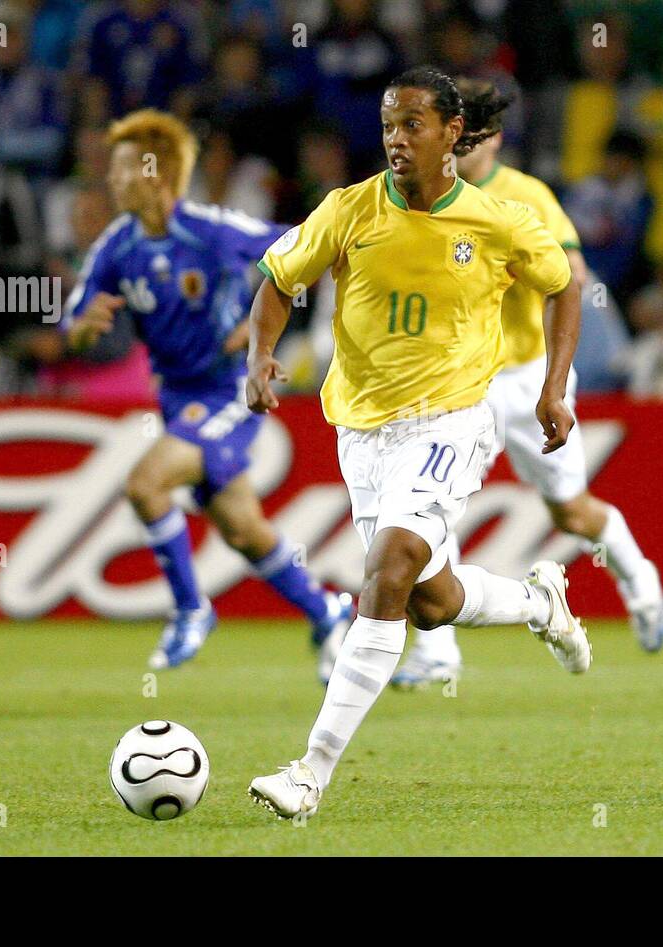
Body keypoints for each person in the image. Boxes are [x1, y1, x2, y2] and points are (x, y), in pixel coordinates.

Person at [245, 67, 589, 820]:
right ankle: (539, 603)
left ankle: (309, 772)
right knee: (429, 602)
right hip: (361, 433)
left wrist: (554, 386)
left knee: (389, 567)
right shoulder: (348, 210)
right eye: (387, 125)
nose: (395, 140)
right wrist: (259, 356)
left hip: (450, 422)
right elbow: (277, 277)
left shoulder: (496, 221)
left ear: (451, 135)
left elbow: (566, 284)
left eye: (411, 126)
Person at [391, 80, 663, 691]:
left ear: (489, 140)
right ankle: (439, 654)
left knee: (571, 511)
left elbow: (572, 275)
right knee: (433, 507)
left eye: (465, 136)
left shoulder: (526, 197)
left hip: (522, 378)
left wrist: (554, 376)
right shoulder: (418, 196)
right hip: (458, 385)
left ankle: (639, 580)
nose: (455, 147)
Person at [60, 108, 351, 671]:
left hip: (230, 391)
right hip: (176, 398)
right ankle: (327, 612)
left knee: (146, 485)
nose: (112, 180)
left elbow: (307, 250)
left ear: (155, 174)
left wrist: (260, 325)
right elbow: (73, 324)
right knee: (244, 530)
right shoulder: (116, 246)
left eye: (122, 169)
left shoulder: (211, 229)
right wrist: (82, 328)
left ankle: (192, 609)